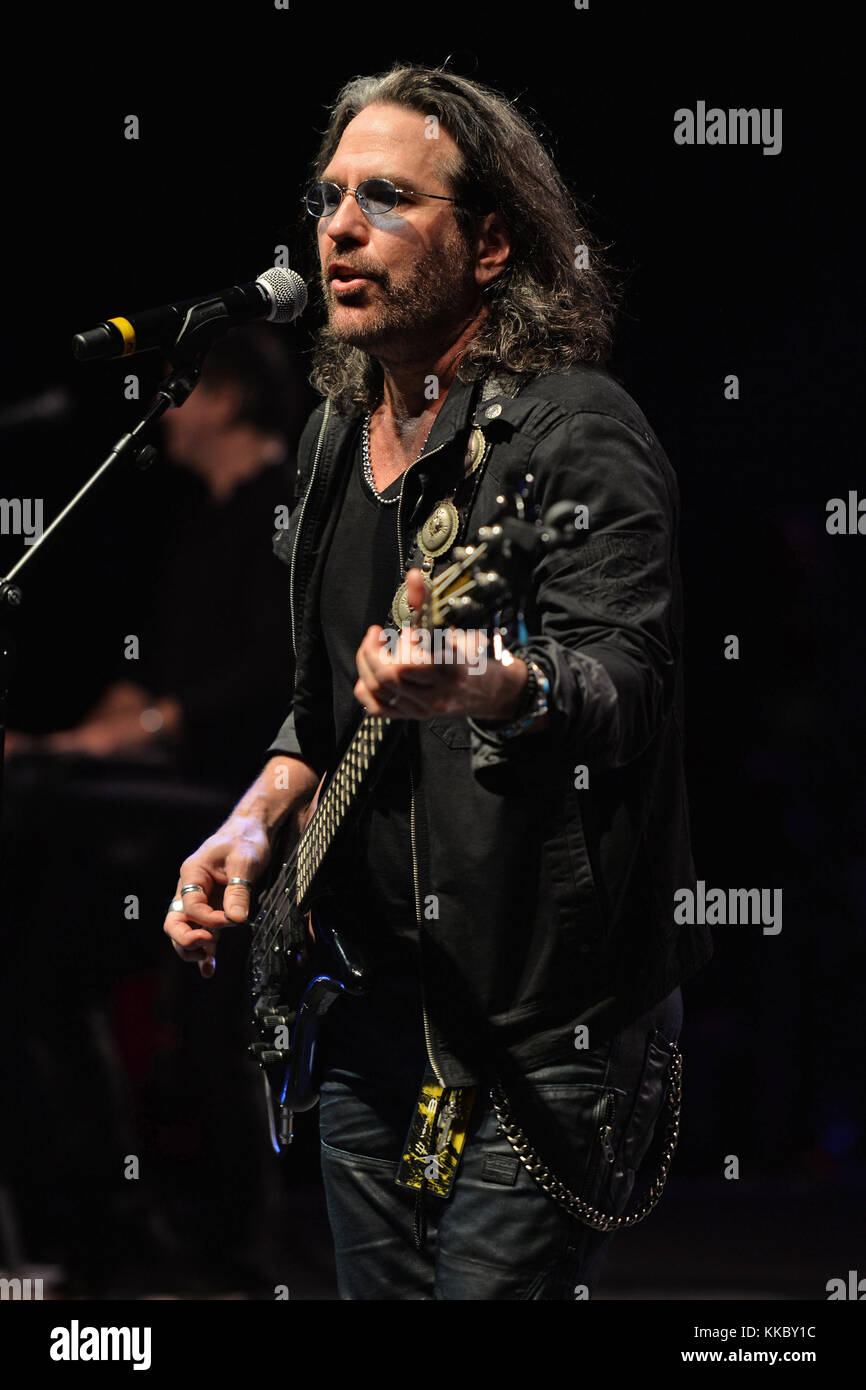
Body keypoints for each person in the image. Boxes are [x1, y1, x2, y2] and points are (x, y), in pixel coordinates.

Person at [164, 64, 713, 1301]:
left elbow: (624, 684)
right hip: (367, 1014)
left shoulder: (574, 431)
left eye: (388, 200)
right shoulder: (326, 435)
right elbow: (319, 709)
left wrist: (485, 680)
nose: (339, 228)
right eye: (328, 196)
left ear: (490, 244)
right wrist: (248, 827)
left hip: (541, 1019)